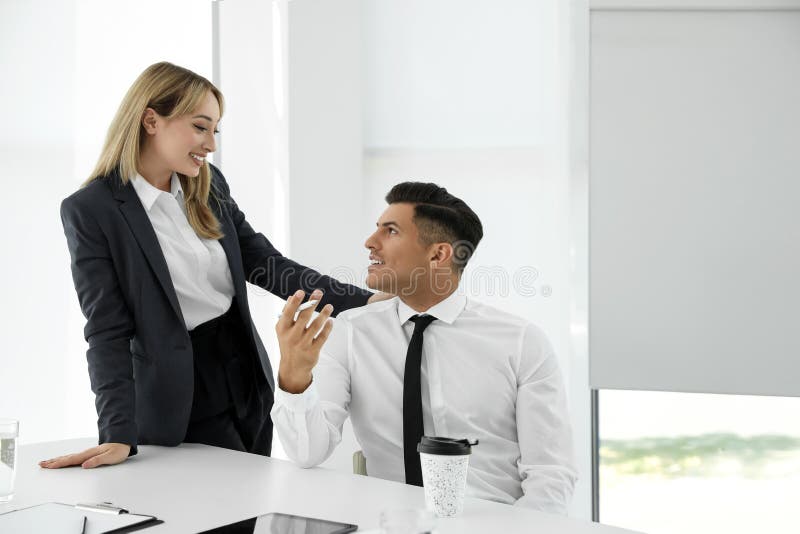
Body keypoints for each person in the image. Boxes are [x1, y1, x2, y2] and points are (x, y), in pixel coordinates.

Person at [40, 62, 387, 470]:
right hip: (180, 395)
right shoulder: (92, 210)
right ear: (151, 120)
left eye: (214, 130)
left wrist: (368, 303)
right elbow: (106, 328)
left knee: (252, 507)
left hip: (246, 377)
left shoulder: (208, 184)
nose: (210, 144)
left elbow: (266, 264)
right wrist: (117, 432)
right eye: (200, 127)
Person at [271, 182, 577, 514]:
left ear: (438, 254)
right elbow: (307, 452)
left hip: (490, 522)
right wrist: (294, 376)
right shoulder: (351, 331)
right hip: (385, 523)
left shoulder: (521, 342)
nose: (369, 243)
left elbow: (551, 475)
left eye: (390, 231)